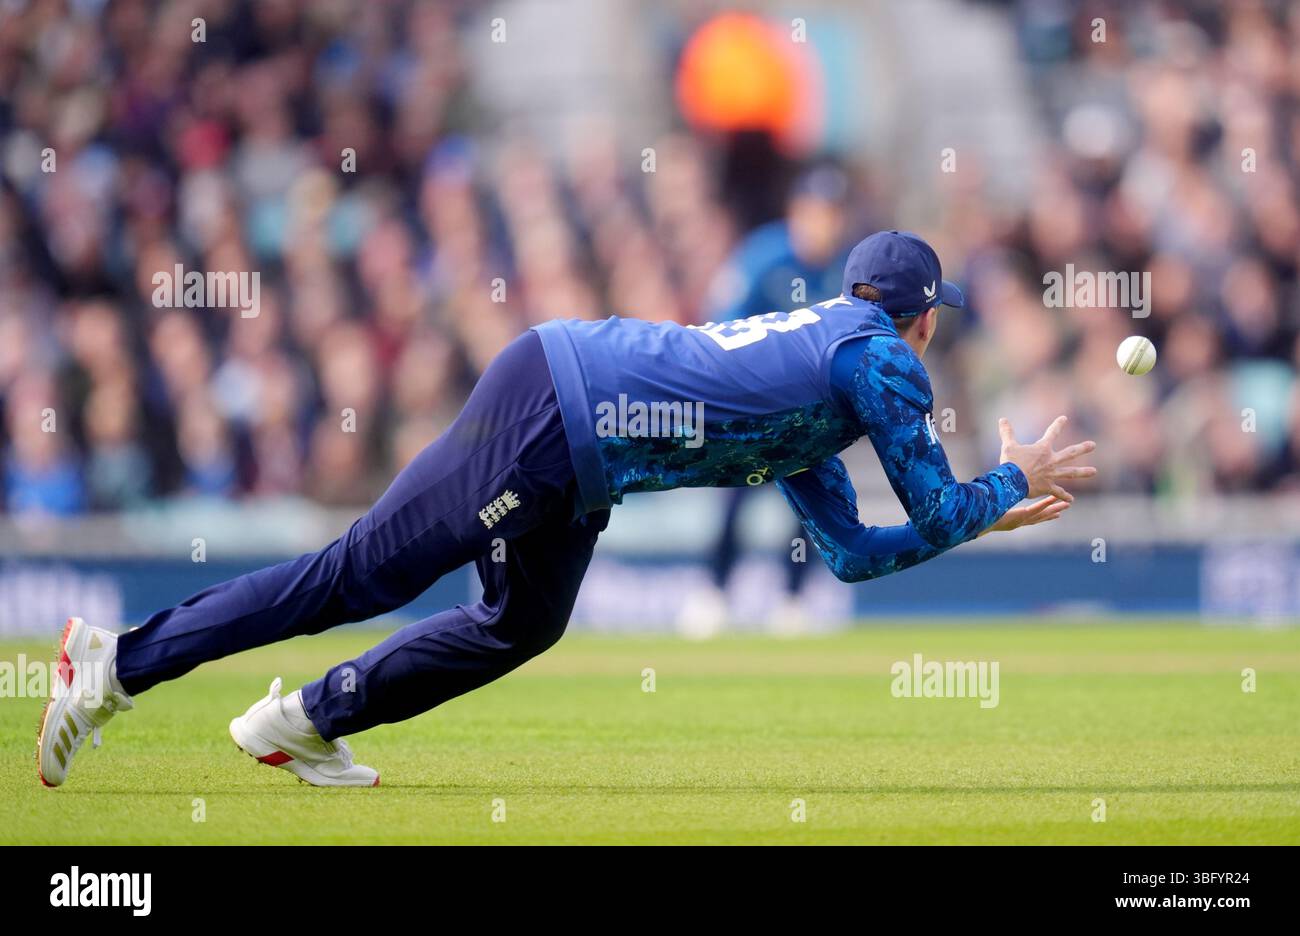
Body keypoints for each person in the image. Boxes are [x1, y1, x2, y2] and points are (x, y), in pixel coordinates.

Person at [38, 230, 1095, 787]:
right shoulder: (882, 369)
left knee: (521, 623)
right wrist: (1003, 488)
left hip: (578, 434)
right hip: (557, 408)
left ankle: (309, 719)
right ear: (919, 323)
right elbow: (937, 507)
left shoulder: (829, 376)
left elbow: (852, 555)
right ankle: (119, 663)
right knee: (363, 573)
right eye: (933, 323)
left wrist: (976, 511)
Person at [681, 164, 854, 638]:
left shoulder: (849, 269)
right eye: (818, 212)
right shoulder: (763, 256)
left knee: (812, 507)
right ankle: (713, 592)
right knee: (737, 499)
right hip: (756, 407)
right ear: (798, 212)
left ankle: (794, 599)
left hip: (814, 417)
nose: (826, 223)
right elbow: (724, 325)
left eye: (834, 214)